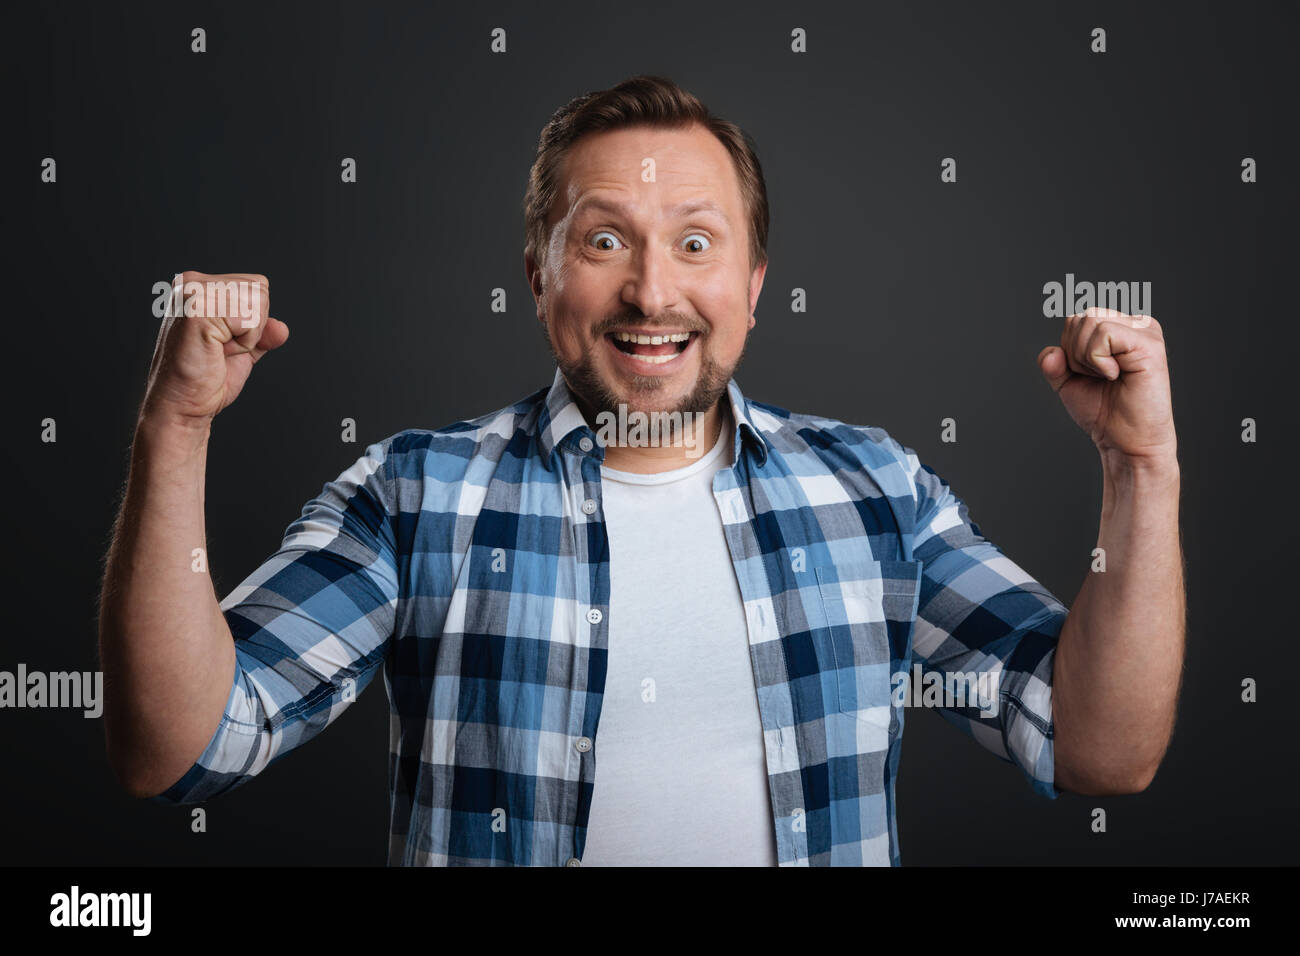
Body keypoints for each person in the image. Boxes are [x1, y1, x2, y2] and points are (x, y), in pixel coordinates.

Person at [98, 74, 1185, 866]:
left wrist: (1140, 465)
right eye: (604, 240)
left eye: (697, 243)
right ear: (538, 276)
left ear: (755, 286)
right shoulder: (416, 493)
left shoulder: (871, 492)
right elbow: (183, 744)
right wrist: (178, 424)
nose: (653, 292)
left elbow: (1096, 744)